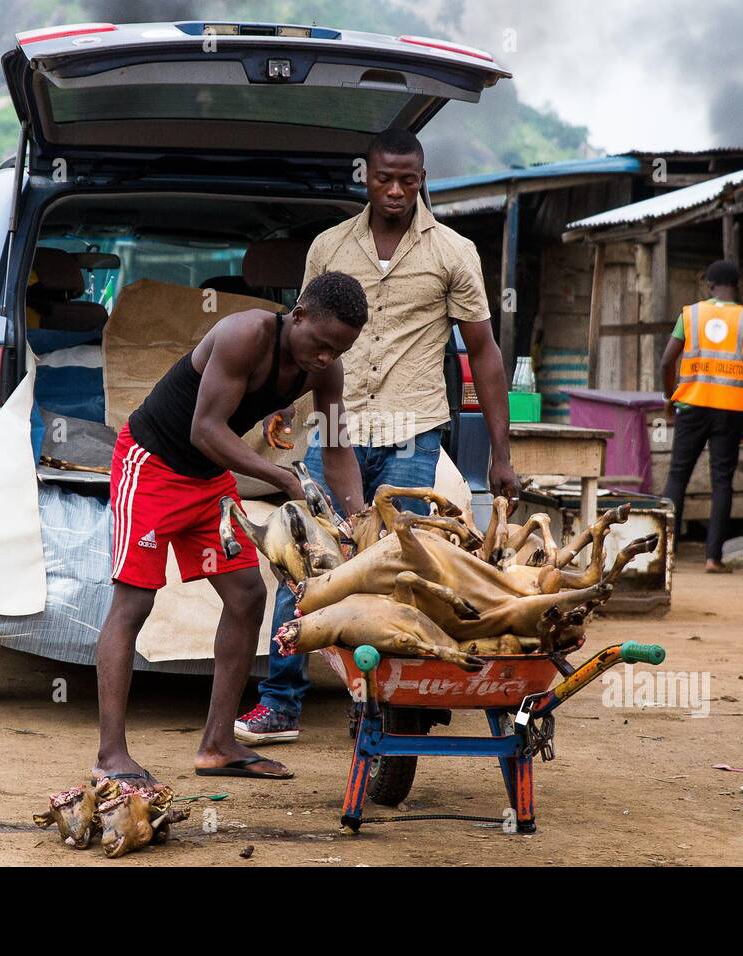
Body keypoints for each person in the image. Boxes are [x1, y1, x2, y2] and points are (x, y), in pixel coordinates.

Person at [235, 127, 521, 745]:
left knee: (403, 567)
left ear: (423, 178)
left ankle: (395, 703)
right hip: (337, 422)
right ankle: (281, 700)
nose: (396, 191)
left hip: (412, 430)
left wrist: (501, 454)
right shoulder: (328, 246)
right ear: (364, 176)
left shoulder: (454, 253)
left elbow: (486, 354)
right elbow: (301, 338)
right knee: (306, 560)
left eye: (409, 180)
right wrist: (281, 409)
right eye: (384, 178)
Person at [93, 271, 368, 785]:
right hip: (151, 465)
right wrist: (281, 478)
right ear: (299, 315)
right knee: (133, 603)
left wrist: (357, 521)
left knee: (246, 596)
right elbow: (205, 429)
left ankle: (218, 746)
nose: (327, 358)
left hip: (207, 479)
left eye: (339, 350)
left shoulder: (324, 371)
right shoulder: (245, 334)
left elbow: (337, 449)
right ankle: (111, 756)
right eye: (322, 344)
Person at [659, 260, 743, 572]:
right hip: (729, 410)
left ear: (709, 285)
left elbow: (667, 362)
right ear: (738, 287)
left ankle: (666, 554)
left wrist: (670, 397)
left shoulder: (690, 314)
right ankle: (712, 558)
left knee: (678, 475)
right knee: (722, 482)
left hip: (691, 406)